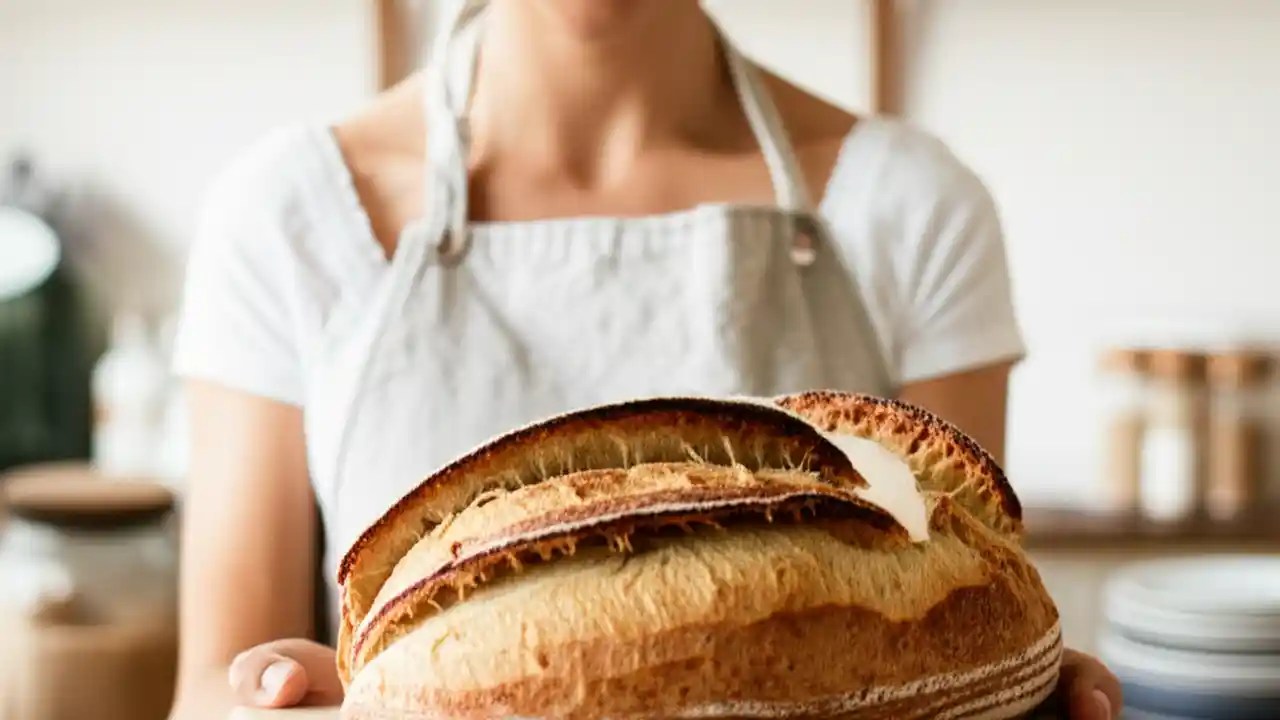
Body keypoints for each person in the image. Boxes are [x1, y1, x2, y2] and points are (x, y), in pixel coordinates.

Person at [167, 1, 1121, 718]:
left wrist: (1015, 691)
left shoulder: (913, 208)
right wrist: (301, 697)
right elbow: (213, 687)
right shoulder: (290, 214)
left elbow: (968, 596)